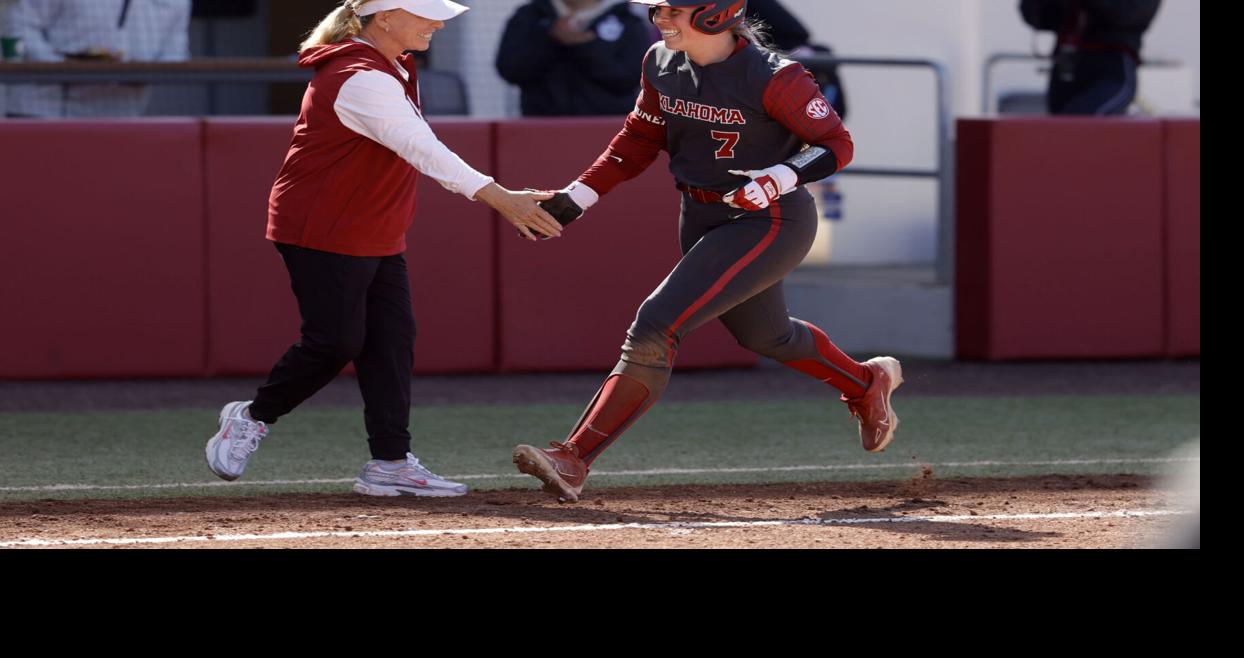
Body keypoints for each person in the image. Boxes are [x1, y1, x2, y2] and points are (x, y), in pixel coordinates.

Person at [511, 0, 899, 504]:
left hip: (769, 218)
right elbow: (637, 141)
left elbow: (835, 143)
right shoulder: (660, 61)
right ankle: (867, 383)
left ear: (716, 14)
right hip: (700, 213)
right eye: (657, 10)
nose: (661, 20)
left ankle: (574, 457)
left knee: (655, 325)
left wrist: (780, 176)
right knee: (768, 335)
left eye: (673, 10)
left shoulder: (775, 75)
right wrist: (576, 198)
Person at [204, 0, 564, 497]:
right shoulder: (359, 75)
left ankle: (391, 463)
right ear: (386, 17)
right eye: (426, 14)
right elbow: (422, 147)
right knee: (335, 342)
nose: (438, 22)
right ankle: (250, 417)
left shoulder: (395, 61)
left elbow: (413, 147)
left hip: (373, 224)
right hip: (323, 224)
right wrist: (499, 197)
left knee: (391, 341)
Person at [4, 0, 191, 118]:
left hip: (121, 119)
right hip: (42, 111)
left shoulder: (178, 3)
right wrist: (59, 66)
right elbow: (17, 25)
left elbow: (175, 56)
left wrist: (139, 71)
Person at [496, 0, 654, 117]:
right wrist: (550, 40)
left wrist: (585, 48)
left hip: (608, 131)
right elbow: (510, 68)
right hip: (540, 128)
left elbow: (631, 78)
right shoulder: (529, 16)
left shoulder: (628, 21)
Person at [1019, 0, 1161, 116]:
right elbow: (1038, 17)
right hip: (1066, 70)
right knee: (1060, 134)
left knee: (1084, 127)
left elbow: (1131, 13)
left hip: (1110, 69)